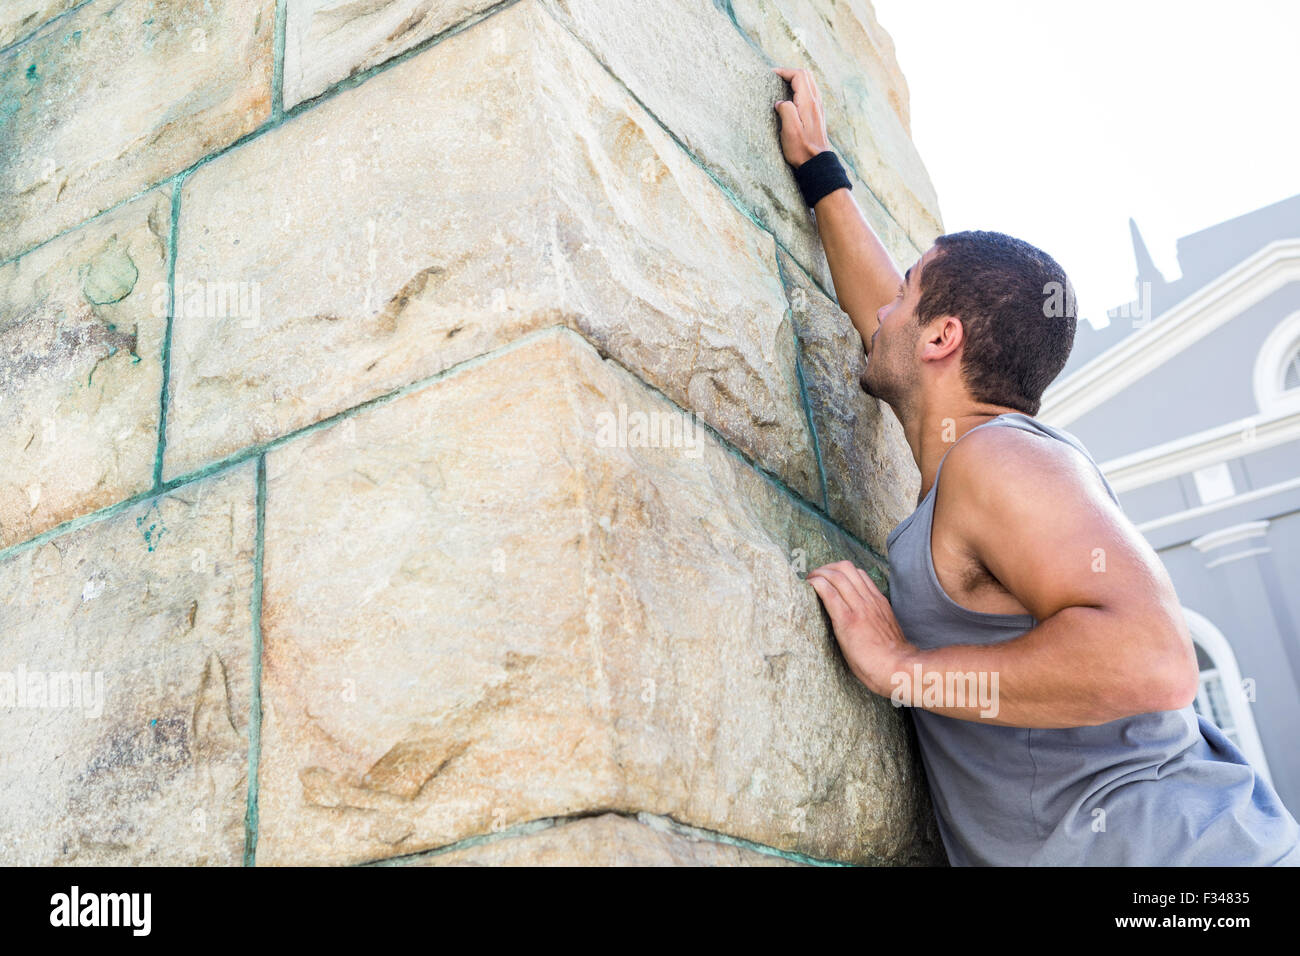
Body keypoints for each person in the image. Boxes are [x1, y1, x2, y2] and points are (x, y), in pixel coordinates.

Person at [771, 66, 1300, 865]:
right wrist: (820, 173)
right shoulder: (987, 459)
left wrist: (904, 669)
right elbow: (880, 310)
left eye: (907, 295)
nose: (880, 311)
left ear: (942, 339)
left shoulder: (998, 459)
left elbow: (1154, 662)